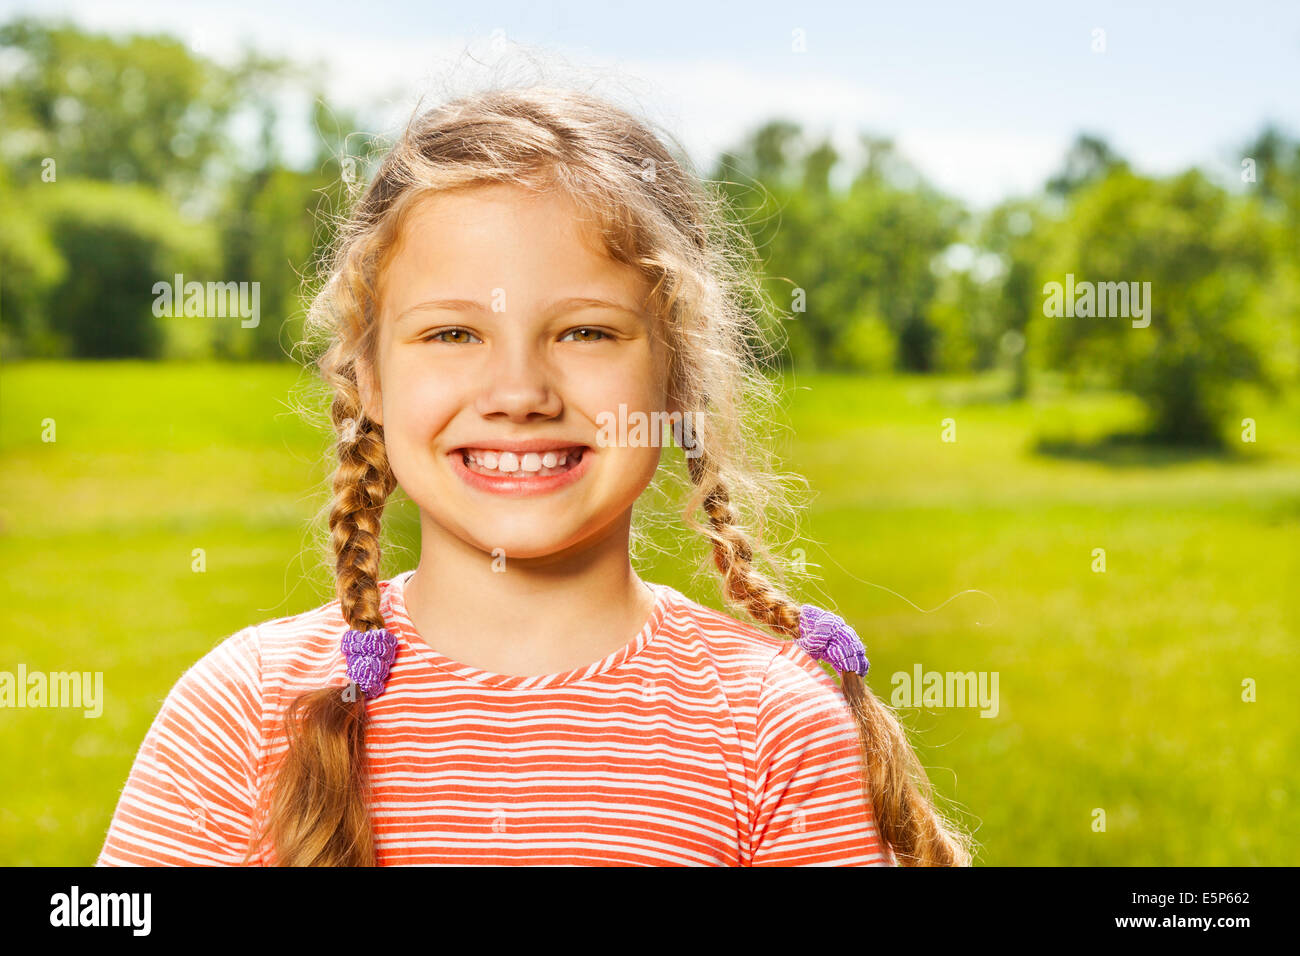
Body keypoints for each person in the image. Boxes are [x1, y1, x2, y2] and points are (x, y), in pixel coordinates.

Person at [96, 85, 972, 866]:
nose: (518, 394)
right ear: (367, 378)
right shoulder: (245, 710)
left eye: (586, 332)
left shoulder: (773, 730)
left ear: (676, 379)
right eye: (452, 334)